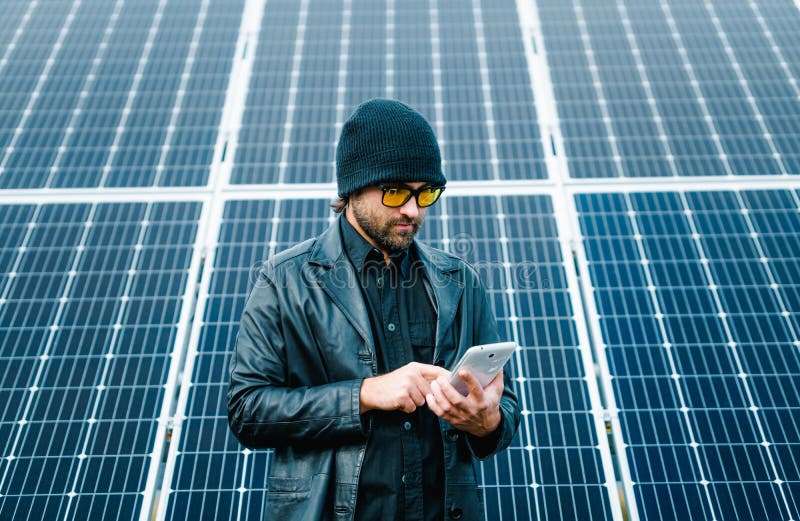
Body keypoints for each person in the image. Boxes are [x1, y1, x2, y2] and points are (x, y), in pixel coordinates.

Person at [227, 98, 521, 521]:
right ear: (353, 188)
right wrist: (364, 394)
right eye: (396, 191)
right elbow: (248, 411)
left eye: (426, 193)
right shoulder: (284, 279)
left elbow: (504, 412)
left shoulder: (460, 281)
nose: (412, 210)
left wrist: (486, 421)